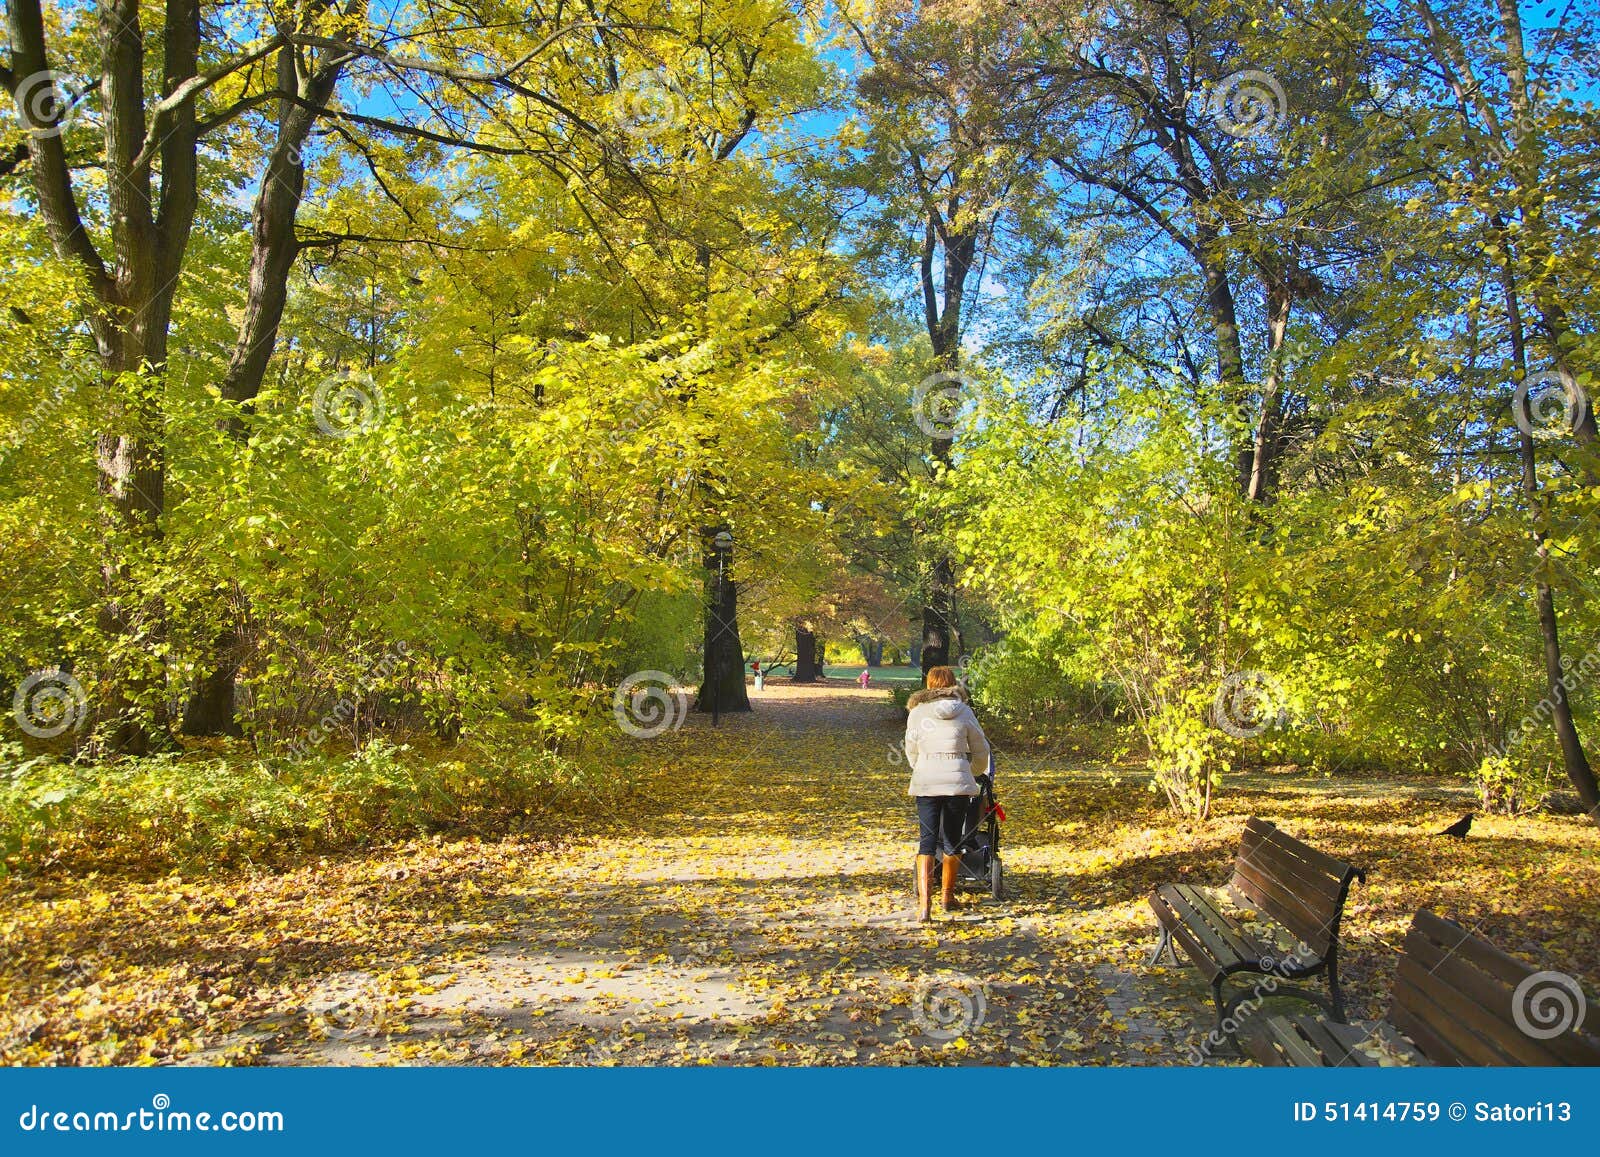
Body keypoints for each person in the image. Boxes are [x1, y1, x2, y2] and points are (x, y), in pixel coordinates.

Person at [903, 666, 991, 922]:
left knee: (927, 840)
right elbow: (981, 748)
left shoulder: (917, 713)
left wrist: (921, 767)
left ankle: (924, 907)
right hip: (957, 781)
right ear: (952, 684)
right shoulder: (964, 711)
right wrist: (971, 770)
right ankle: (947, 897)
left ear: (929, 685)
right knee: (953, 839)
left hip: (927, 781)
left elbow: (911, 748)